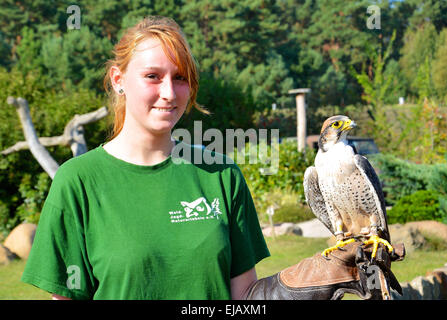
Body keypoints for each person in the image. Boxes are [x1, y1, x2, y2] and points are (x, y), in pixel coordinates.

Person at [21, 16, 398, 300]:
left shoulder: (221, 175)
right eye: (153, 76)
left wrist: (308, 284)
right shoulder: (78, 182)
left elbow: (244, 300)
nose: (169, 93)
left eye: (181, 78)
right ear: (119, 79)